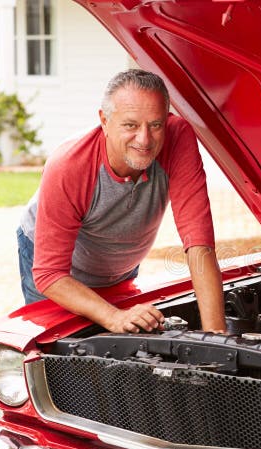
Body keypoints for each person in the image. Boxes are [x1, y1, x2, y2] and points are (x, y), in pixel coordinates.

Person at [17, 69, 226, 334]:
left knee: (120, 347)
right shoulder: (69, 166)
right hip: (55, 268)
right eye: (130, 125)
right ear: (104, 120)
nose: (144, 139)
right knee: (60, 351)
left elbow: (199, 243)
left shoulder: (178, 138)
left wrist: (217, 337)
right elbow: (49, 274)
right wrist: (113, 316)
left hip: (119, 260)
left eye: (156, 125)